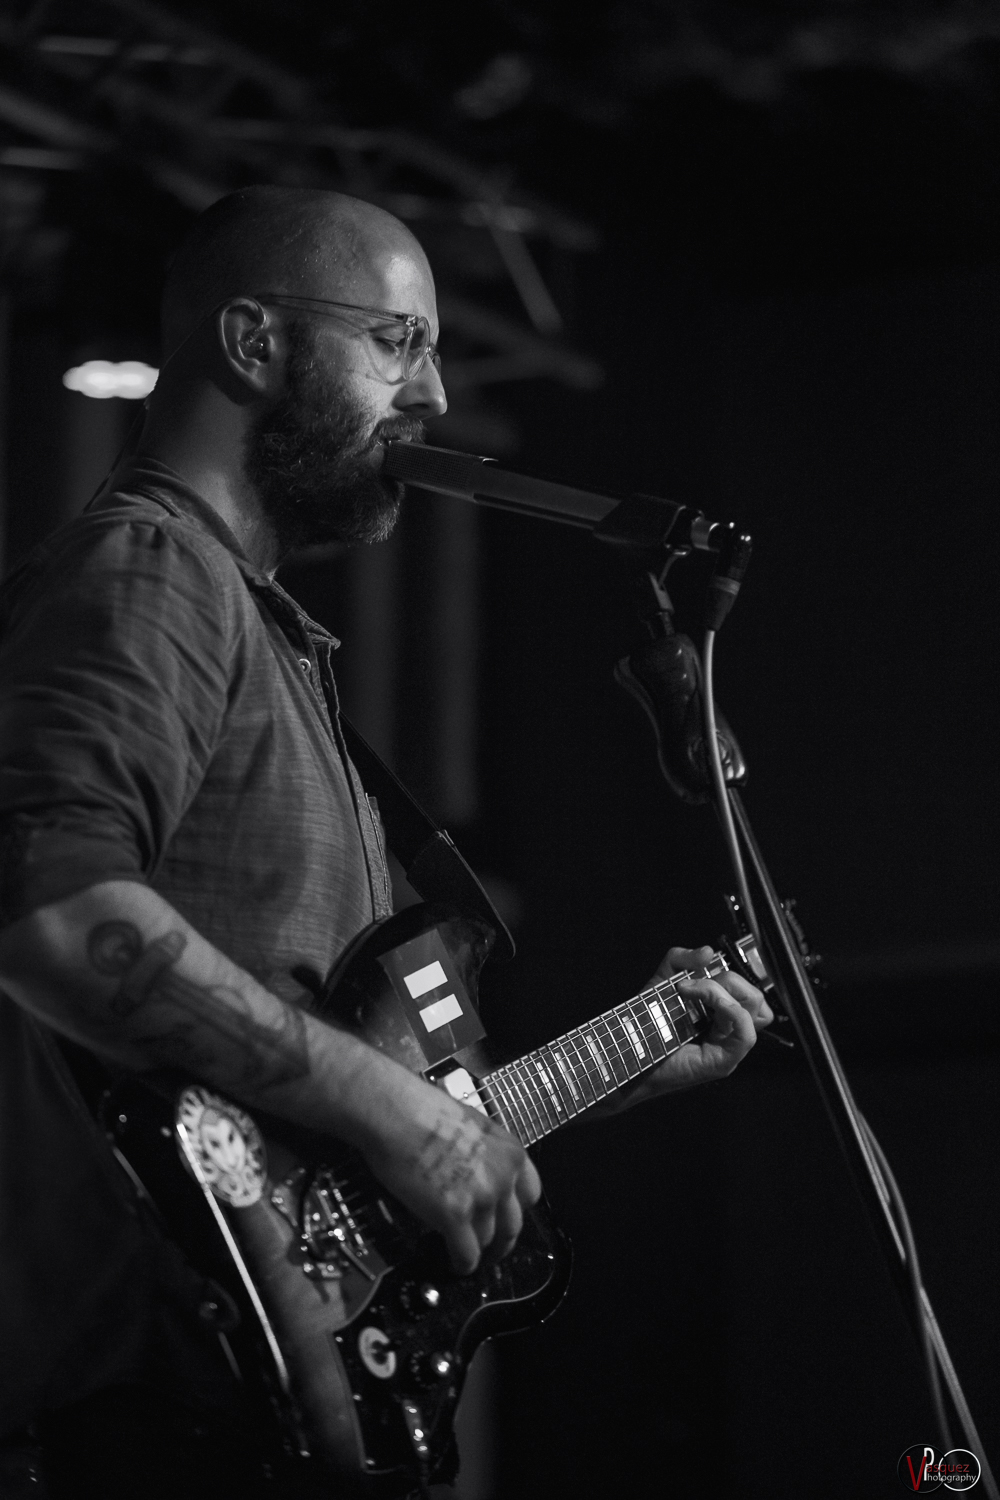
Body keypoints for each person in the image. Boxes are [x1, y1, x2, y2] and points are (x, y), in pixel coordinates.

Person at [0, 186, 771, 1499]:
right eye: (396, 344)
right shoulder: (154, 572)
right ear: (253, 344)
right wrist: (395, 1114)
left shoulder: (263, 634)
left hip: (239, 1402)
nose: (438, 402)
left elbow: (336, 1109)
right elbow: (53, 913)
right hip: (144, 1408)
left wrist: (584, 1073)